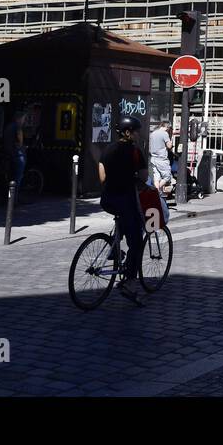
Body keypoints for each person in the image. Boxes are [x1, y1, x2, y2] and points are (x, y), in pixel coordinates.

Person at [98, 115, 149, 305]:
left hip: (108, 200)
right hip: (126, 200)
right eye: (136, 131)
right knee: (136, 242)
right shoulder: (136, 151)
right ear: (128, 133)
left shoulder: (109, 148)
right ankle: (130, 284)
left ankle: (116, 249)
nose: (138, 134)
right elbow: (143, 176)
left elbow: (102, 175)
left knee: (123, 223)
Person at [148, 120, 175, 195]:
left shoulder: (153, 133)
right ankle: (155, 191)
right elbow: (169, 146)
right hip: (162, 159)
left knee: (157, 177)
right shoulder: (164, 133)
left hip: (153, 158)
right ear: (167, 127)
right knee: (167, 177)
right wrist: (171, 142)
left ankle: (156, 193)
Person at [3, 109, 26, 192]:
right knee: (17, 177)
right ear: (19, 119)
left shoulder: (8, 126)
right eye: (23, 119)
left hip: (7, 153)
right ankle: (14, 200)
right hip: (17, 154)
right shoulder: (18, 127)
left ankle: (7, 197)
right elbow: (20, 141)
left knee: (9, 176)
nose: (24, 121)